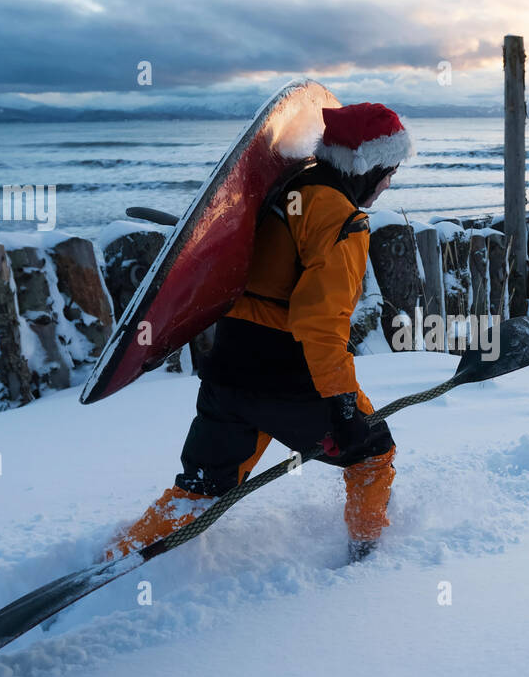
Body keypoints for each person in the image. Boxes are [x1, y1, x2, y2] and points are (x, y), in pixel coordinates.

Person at [103, 102, 414, 563]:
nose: (389, 184)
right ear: (367, 168)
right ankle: (366, 556)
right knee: (372, 455)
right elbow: (320, 322)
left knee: (200, 489)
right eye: (389, 172)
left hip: (228, 366)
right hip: (291, 376)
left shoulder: (285, 188)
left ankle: (118, 559)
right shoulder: (341, 218)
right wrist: (343, 407)